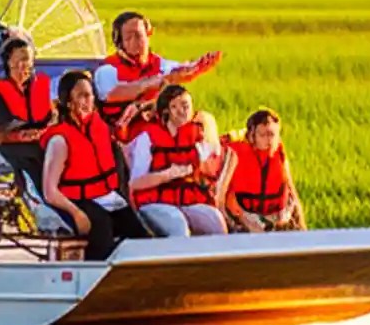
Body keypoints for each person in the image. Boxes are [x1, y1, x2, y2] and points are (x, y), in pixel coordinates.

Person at [41, 71, 151, 260]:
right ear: (68, 102)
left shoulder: (99, 127)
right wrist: (76, 214)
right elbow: (50, 192)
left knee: (141, 238)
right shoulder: (59, 140)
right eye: (81, 96)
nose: (87, 100)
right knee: (103, 233)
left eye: (89, 94)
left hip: (107, 195)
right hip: (78, 199)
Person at [93, 11, 222, 142]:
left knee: (205, 121)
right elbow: (112, 94)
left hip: (159, 124)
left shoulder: (158, 64)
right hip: (127, 135)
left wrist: (196, 67)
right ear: (119, 42)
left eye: (139, 36)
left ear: (148, 35)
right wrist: (150, 83)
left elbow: (179, 71)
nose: (135, 42)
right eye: (128, 38)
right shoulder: (108, 69)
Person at [128, 85, 228, 237]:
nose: (182, 111)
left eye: (185, 105)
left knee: (215, 222)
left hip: (188, 200)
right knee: (178, 226)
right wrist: (167, 175)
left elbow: (216, 150)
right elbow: (134, 184)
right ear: (165, 111)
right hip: (156, 202)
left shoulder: (198, 135)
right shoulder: (147, 138)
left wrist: (208, 122)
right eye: (174, 106)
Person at [0, 37, 55, 188]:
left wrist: (48, 129)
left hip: (42, 140)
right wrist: (23, 136)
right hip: (13, 146)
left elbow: (52, 116)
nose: (24, 65)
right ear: (9, 62)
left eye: (28, 60)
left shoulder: (41, 84)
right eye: (20, 59)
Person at [217, 108, 307, 232]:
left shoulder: (279, 153)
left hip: (278, 216)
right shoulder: (235, 153)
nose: (269, 140)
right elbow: (224, 197)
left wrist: (300, 224)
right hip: (245, 215)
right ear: (252, 136)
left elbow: (291, 190)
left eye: (272, 135)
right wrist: (241, 221)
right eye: (263, 135)